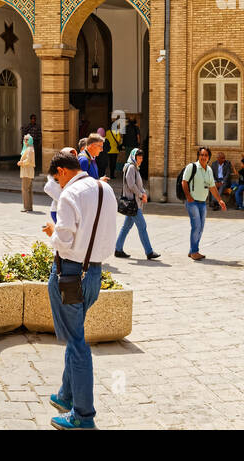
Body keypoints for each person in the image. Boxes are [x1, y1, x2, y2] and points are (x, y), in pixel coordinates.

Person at [41, 148, 116, 430]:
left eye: (57, 181)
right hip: (95, 272)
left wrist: (53, 233)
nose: (58, 187)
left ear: (61, 172)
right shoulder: (104, 189)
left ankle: (83, 416)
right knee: (77, 334)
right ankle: (65, 395)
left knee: (77, 344)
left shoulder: (70, 195)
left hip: (69, 274)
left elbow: (64, 239)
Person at [179, 146, 224, 259]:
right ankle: (195, 251)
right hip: (192, 202)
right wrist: (188, 196)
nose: (203, 157)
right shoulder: (192, 167)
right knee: (196, 226)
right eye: (201, 155)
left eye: (206, 155)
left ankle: (192, 250)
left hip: (203, 203)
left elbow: (212, 187)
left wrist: (220, 200)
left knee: (201, 227)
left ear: (209, 157)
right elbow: (184, 182)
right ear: (198, 156)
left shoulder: (208, 170)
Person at [115, 147, 160, 259]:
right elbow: (131, 185)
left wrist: (143, 193)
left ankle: (118, 249)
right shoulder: (131, 167)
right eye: (138, 156)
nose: (140, 159)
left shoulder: (135, 168)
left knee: (126, 227)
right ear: (133, 157)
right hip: (133, 203)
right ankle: (149, 252)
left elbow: (138, 185)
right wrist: (141, 195)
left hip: (134, 203)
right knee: (142, 226)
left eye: (141, 157)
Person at [18, 133, 36, 212]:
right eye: (24, 139)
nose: (25, 141)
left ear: (30, 140)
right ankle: (29, 207)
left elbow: (28, 160)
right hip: (27, 171)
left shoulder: (29, 149)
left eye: (27, 139)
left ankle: (26, 207)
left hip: (27, 172)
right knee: (28, 189)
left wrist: (21, 163)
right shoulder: (29, 148)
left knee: (25, 189)